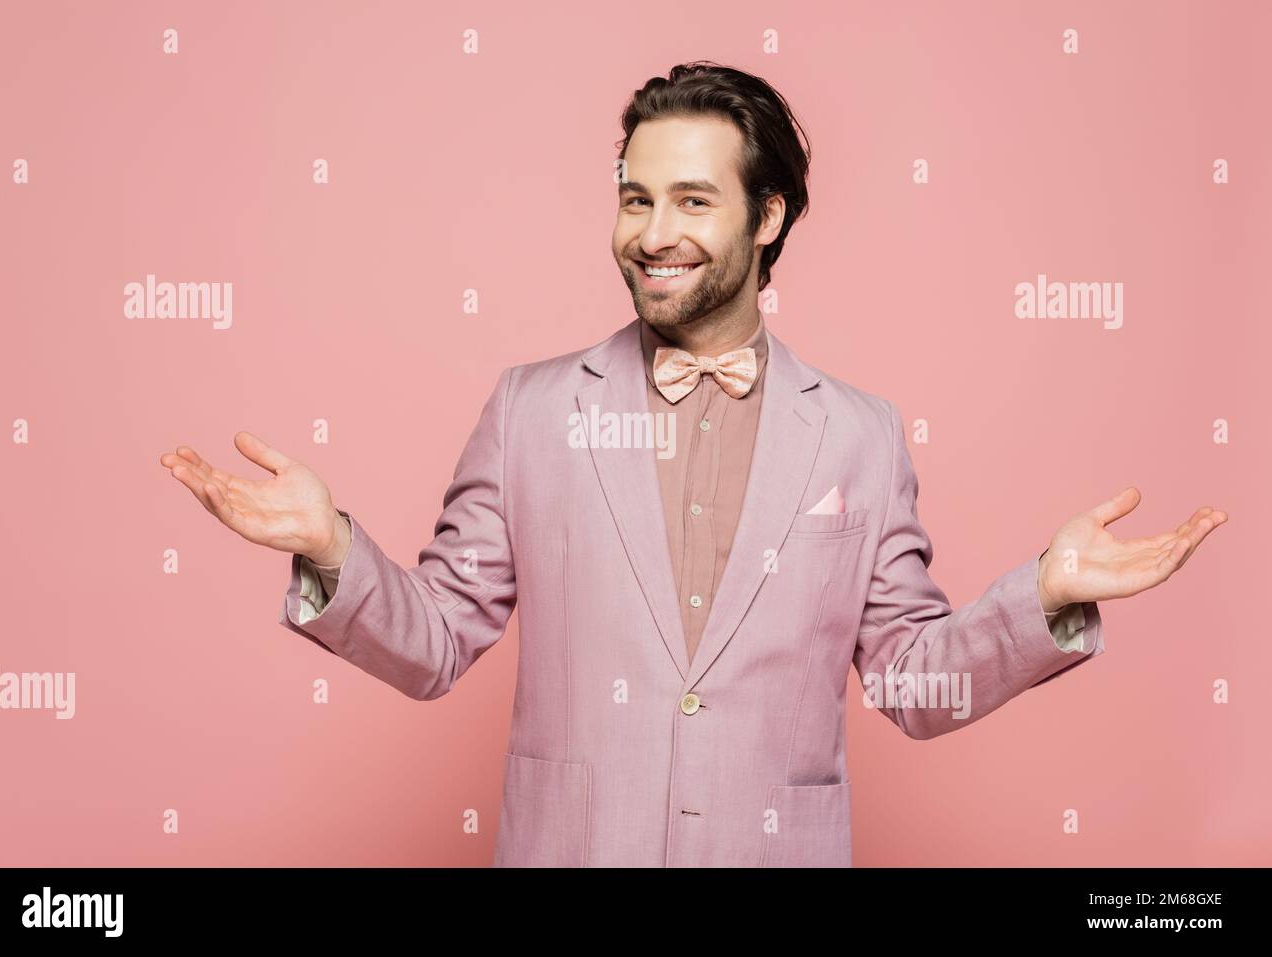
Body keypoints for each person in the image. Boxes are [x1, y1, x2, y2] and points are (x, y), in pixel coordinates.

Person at [159, 62, 1226, 867]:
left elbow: (910, 679)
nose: (651, 232)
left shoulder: (857, 433)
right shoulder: (532, 411)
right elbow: (435, 642)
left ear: (767, 218)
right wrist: (328, 548)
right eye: (635, 197)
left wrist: (1040, 597)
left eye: (692, 200)